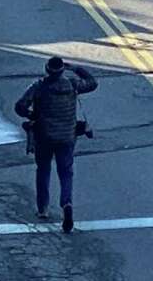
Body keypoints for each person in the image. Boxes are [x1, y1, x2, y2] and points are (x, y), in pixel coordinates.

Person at [14, 56, 98, 232]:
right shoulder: (73, 84)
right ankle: (66, 203)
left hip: (44, 136)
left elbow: (20, 107)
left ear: (47, 70)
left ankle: (43, 208)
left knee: (43, 170)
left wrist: (32, 116)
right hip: (67, 136)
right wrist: (75, 68)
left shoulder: (39, 87)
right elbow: (92, 82)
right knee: (66, 172)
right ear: (62, 70)